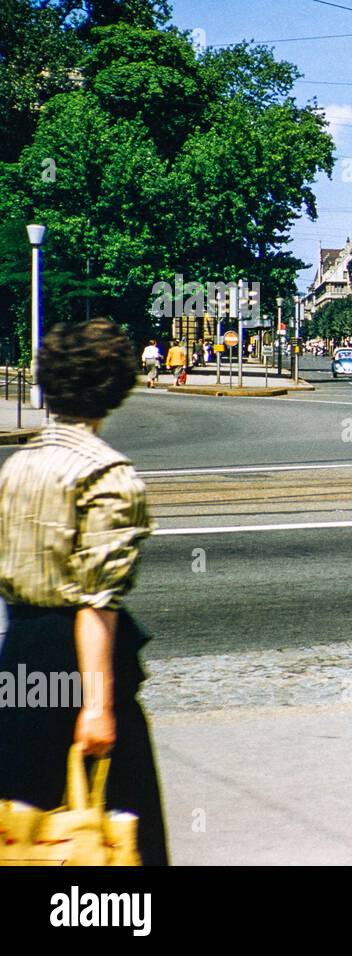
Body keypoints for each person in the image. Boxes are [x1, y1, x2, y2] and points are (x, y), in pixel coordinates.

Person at [0, 318, 168, 866]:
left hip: (20, 663)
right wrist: (97, 706)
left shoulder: (16, 466)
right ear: (117, 389)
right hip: (79, 666)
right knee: (109, 838)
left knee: (26, 832)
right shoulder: (110, 477)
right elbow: (96, 603)